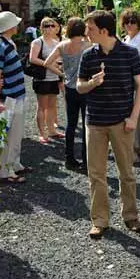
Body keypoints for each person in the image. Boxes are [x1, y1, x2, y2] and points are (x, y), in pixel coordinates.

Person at [77, 10, 140, 239]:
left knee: (126, 172)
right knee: (96, 174)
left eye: (90, 29)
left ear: (104, 31)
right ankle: (100, 220)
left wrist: (134, 117)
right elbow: (79, 86)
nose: (86, 33)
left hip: (121, 122)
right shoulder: (88, 56)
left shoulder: (129, 53)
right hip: (95, 122)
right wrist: (91, 83)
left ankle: (131, 216)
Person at [44, 17, 91, 171]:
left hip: (69, 88)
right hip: (84, 87)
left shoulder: (62, 45)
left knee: (71, 124)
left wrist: (62, 74)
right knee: (86, 125)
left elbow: (47, 63)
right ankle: (86, 161)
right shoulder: (87, 45)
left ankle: (69, 159)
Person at [0, 11, 30, 184]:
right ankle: (5, 171)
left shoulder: (7, 43)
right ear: (9, 27)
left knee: (17, 132)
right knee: (8, 135)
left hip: (17, 94)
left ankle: (15, 163)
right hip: (10, 98)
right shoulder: (0, 47)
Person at [120, 8, 140, 155]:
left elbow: (127, 53)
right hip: (129, 79)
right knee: (132, 111)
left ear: (139, 24)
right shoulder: (126, 38)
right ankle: (135, 143)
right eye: (126, 22)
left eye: (133, 22)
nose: (129, 24)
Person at [29, 17, 64, 144]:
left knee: (51, 106)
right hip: (42, 78)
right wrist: (48, 64)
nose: (49, 28)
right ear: (41, 28)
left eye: (51, 25)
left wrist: (58, 67)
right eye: (46, 26)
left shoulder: (56, 43)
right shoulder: (37, 42)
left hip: (53, 77)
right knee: (41, 107)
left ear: (55, 28)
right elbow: (32, 59)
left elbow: (60, 60)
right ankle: (42, 133)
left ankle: (51, 131)